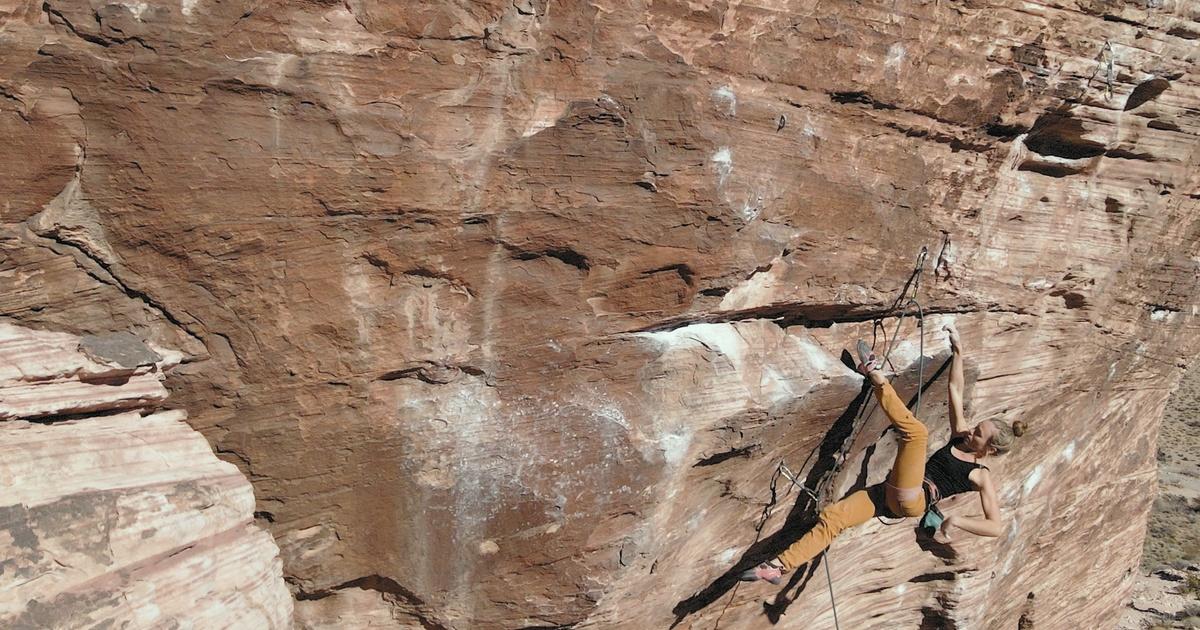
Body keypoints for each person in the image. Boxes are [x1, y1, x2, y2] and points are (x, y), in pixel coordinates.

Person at [741, 324, 1026, 584]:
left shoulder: (980, 475)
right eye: (977, 427)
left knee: (916, 434)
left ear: (989, 450)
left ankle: (875, 375)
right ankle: (778, 567)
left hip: (914, 499)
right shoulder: (961, 436)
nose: (970, 431)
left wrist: (958, 521)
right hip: (887, 495)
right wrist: (959, 352)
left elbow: (996, 527)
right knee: (833, 518)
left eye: (978, 434)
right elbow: (955, 389)